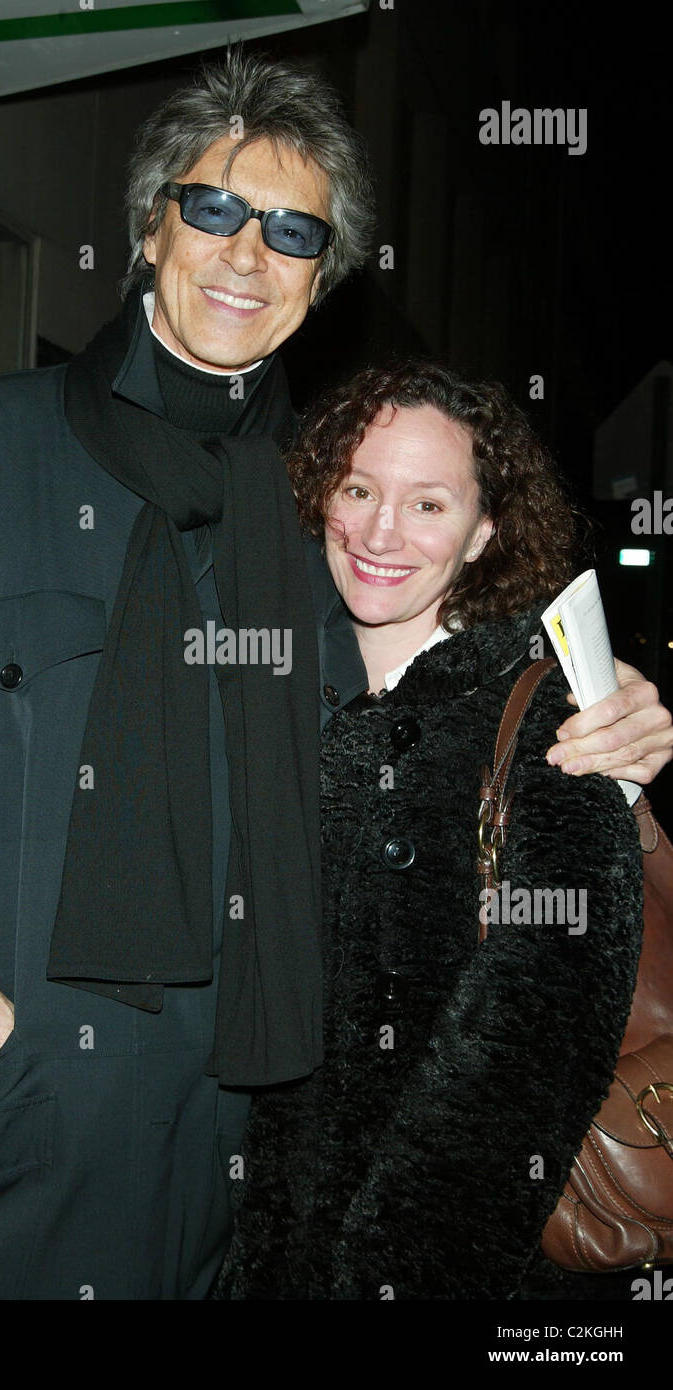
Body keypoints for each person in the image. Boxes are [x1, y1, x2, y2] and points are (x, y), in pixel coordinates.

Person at [0, 52, 668, 1301]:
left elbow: (448, 702)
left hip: (221, 1175)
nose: (242, 252)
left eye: (290, 229)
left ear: (317, 285)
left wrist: (611, 710)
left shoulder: (318, 535)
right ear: (150, 228)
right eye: (210, 207)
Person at [215, 361, 650, 1300]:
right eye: (360, 489)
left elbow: (530, 1058)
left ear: (484, 529)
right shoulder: (268, 683)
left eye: (428, 505)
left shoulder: (550, 719)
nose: (379, 533)